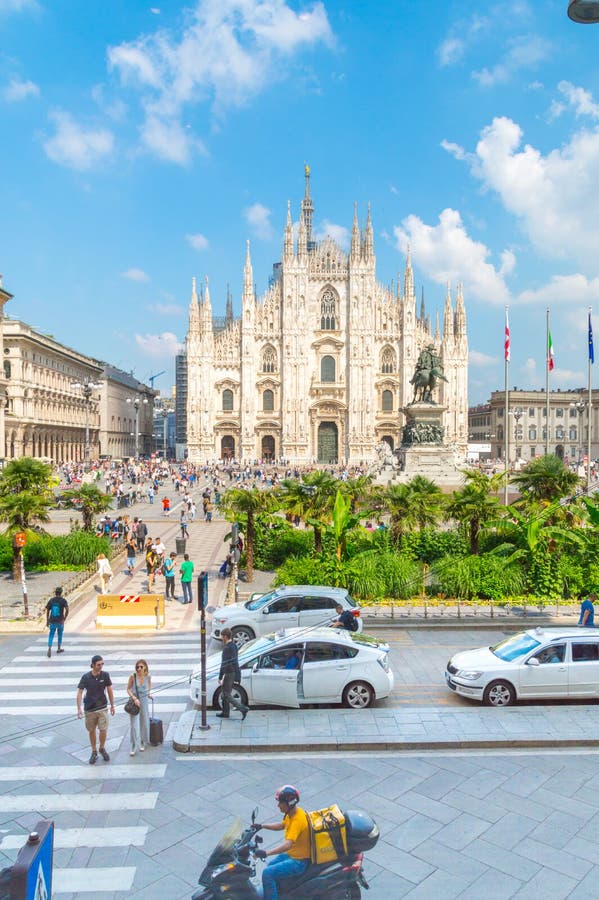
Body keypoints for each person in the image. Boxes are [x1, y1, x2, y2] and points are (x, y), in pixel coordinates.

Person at [254, 785, 311, 899]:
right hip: (293, 854)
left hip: (299, 861)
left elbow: (287, 845)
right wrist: (262, 826)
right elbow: (281, 825)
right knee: (270, 866)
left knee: (267, 873)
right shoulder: (292, 813)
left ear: (288, 804)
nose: (278, 805)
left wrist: (267, 852)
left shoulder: (297, 820)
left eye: (280, 802)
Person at [77, 655, 115, 765]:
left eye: (102, 664)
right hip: (89, 708)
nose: (101, 666)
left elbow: (109, 690)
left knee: (103, 729)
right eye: (98, 664)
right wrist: (79, 708)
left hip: (102, 707)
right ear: (93, 665)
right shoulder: (86, 677)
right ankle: (94, 751)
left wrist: (112, 705)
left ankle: (102, 748)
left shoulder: (105, 675)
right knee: (91, 730)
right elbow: (80, 692)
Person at [217, 628, 249, 720]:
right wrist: (238, 675)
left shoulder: (226, 648)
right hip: (233, 672)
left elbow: (224, 664)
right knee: (224, 694)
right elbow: (236, 662)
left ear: (225, 637)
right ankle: (225, 712)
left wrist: (220, 677)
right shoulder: (234, 646)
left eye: (222, 636)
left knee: (226, 694)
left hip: (228, 673)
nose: (221, 638)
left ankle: (243, 709)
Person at [126, 659, 152, 756]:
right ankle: (133, 744)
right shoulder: (133, 676)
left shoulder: (147, 676)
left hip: (144, 701)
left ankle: (142, 741)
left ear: (145, 667)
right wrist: (134, 698)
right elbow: (128, 689)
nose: (139, 669)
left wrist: (149, 693)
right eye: (137, 667)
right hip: (134, 701)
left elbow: (149, 685)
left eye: (141, 666)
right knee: (133, 724)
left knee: (144, 721)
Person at [45, 586, 68, 658]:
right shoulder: (63, 600)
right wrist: (64, 618)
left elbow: (48, 610)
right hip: (60, 621)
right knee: (60, 634)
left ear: (55, 593)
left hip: (52, 620)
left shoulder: (51, 600)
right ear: (61, 593)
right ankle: (58, 648)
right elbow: (67, 610)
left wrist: (47, 620)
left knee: (51, 634)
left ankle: (49, 648)